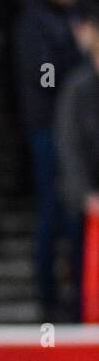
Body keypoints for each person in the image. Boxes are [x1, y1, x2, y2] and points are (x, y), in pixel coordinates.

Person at [16, 0, 96, 319]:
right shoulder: (34, 22)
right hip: (48, 130)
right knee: (52, 211)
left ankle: (78, 297)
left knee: (77, 218)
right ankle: (48, 300)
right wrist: (76, 51)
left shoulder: (78, 16)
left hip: (79, 132)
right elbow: (44, 78)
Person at [54, 30, 99, 318]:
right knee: (82, 267)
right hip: (86, 202)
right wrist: (85, 194)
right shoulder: (77, 88)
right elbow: (68, 145)